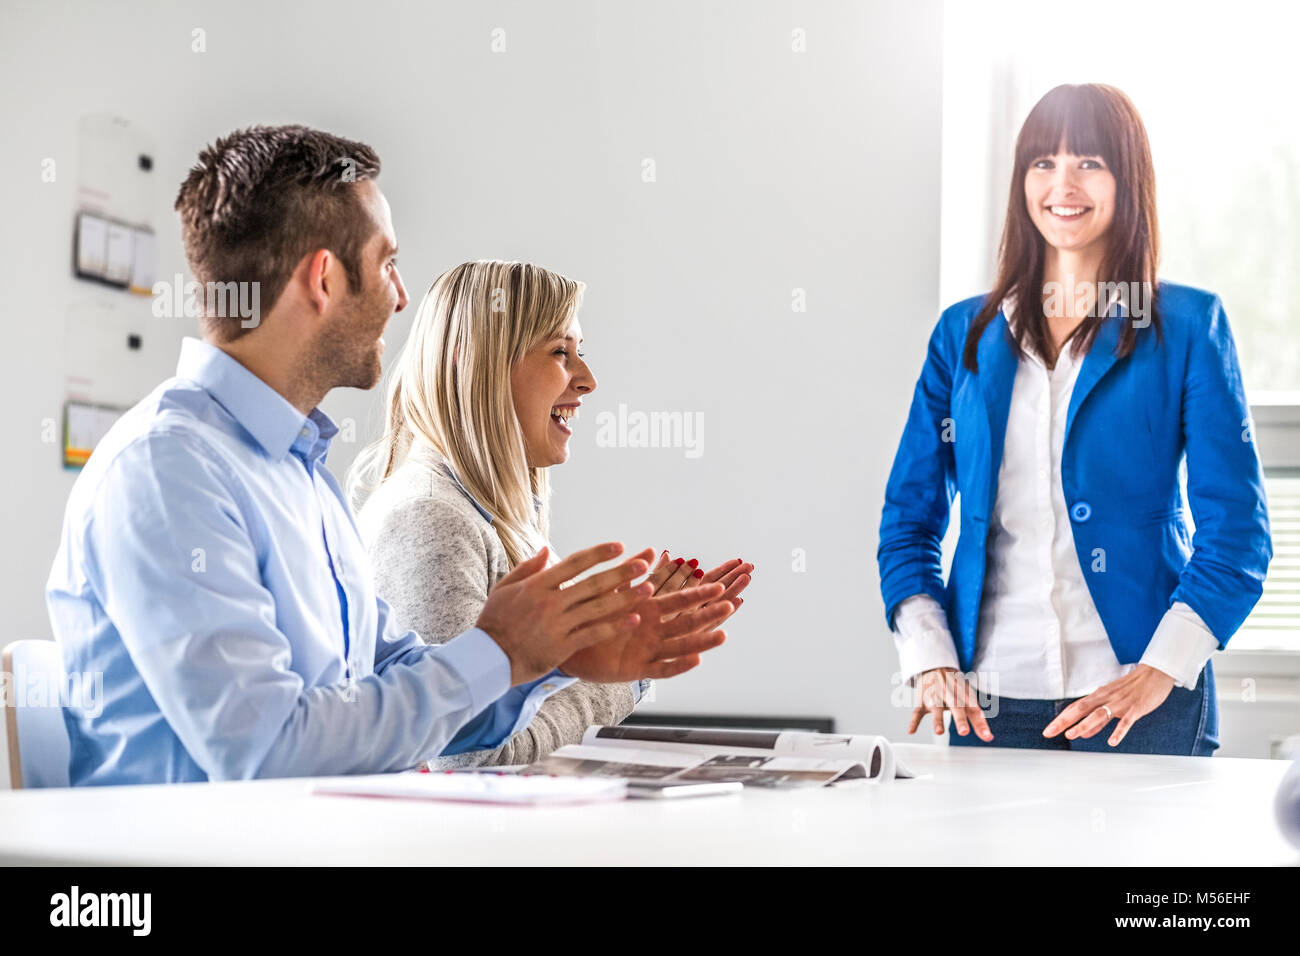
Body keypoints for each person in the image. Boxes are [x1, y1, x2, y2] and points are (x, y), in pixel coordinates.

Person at [45, 125, 733, 786]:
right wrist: (499, 651)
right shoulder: (168, 470)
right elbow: (265, 751)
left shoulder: (300, 474)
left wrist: (550, 659)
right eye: (387, 264)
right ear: (323, 279)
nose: (402, 297)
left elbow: (399, 694)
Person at [877, 84, 1271, 756]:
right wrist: (930, 655)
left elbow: (1236, 535)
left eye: (1089, 162)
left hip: (1141, 697)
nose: (1063, 183)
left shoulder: (1186, 327)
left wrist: (1160, 671)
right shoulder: (962, 336)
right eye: (1042, 162)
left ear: (1127, 179)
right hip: (993, 700)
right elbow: (908, 522)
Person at [350, 259, 753, 766]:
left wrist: (619, 643)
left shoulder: (489, 517)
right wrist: (621, 675)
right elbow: (473, 759)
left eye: (580, 353)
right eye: (561, 353)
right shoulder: (431, 519)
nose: (587, 381)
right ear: (473, 361)